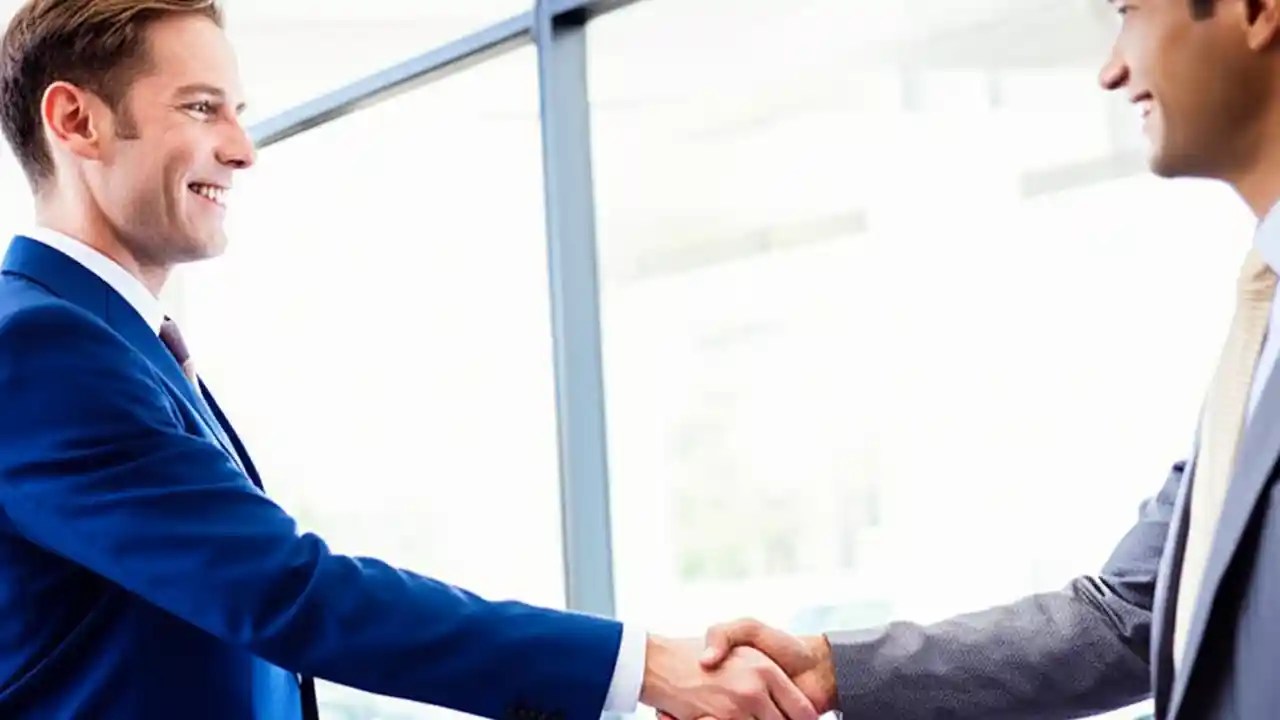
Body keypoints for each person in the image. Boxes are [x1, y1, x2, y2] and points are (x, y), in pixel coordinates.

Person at [0, 2, 825, 719]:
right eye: (203, 107)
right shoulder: (41, 346)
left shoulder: (107, 338)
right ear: (77, 121)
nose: (244, 148)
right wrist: (646, 667)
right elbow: (287, 591)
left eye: (238, 110)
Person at [695, 0, 1280, 718]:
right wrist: (832, 669)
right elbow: (1129, 613)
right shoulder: (1260, 326)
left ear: (1257, 11)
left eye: (1128, 10)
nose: (1112, 69)